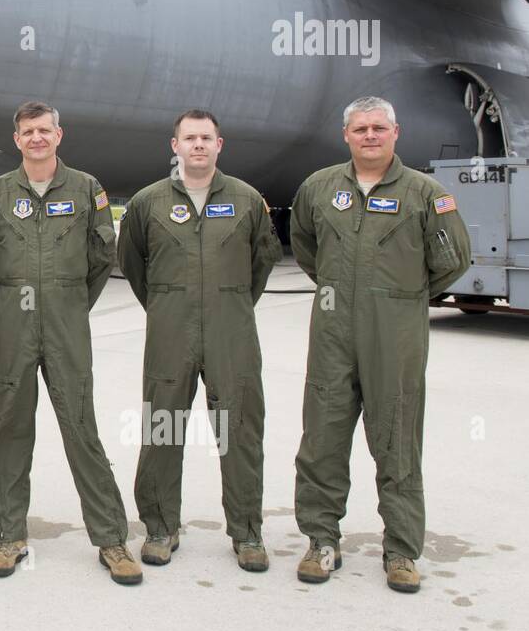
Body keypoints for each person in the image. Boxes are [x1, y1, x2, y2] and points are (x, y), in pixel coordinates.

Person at [290, 96, 470, 593]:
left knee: (397, 442)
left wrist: (401, 297)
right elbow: (306, 246)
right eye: (360, 128)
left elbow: (453, 259)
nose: (369, 135)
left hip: (396, 338)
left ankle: (402, 552)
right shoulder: (319, 188)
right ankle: (322, 540)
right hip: (331, 335)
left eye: (378, 127)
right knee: (322, 440)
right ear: (345, 135)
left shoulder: (424, 193)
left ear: (396, 133)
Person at [0, 101, 142, 584]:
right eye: (28, 132)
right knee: (7, 430)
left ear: (58, 135)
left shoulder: (87, 189)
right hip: (12, 326)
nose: (36, 138)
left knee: (81, 429)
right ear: (17, 140)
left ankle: (111, 540)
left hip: (68, 327)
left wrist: (68, 302)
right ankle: (9, 537)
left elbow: (99, 256)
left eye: (44, 130)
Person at [117, 109, 281, 572]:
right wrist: (168, 304)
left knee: (240, 430)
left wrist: (229, 302)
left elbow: (263, 260)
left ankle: (247, 533)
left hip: (232, 331)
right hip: (170, 331)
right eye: (189, 138)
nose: (198, 145)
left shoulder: (248, 200)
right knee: (163, 427)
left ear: (219, 144)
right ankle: (160, 528)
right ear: (175, 146)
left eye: (206, 138)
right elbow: (132, 261)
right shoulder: (148, 202)